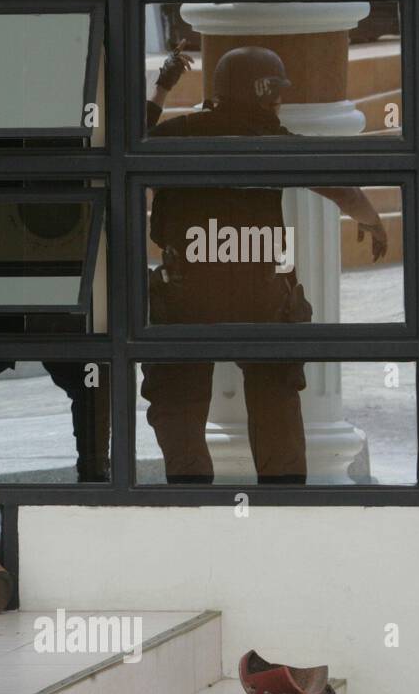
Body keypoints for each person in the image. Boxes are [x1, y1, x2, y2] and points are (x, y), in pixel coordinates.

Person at [143, 45, 388, 483]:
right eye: (275, 93)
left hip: (187, 295)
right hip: (259, 294)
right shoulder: (273, 141)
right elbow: (340, 186)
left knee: (178, 399)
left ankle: (190, 494)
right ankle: (284, 496)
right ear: (260, 91)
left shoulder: (177, 134)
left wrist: (162, 88)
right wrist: (372, 223)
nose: (281, 102)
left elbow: (127, 143)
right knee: (276, 399)